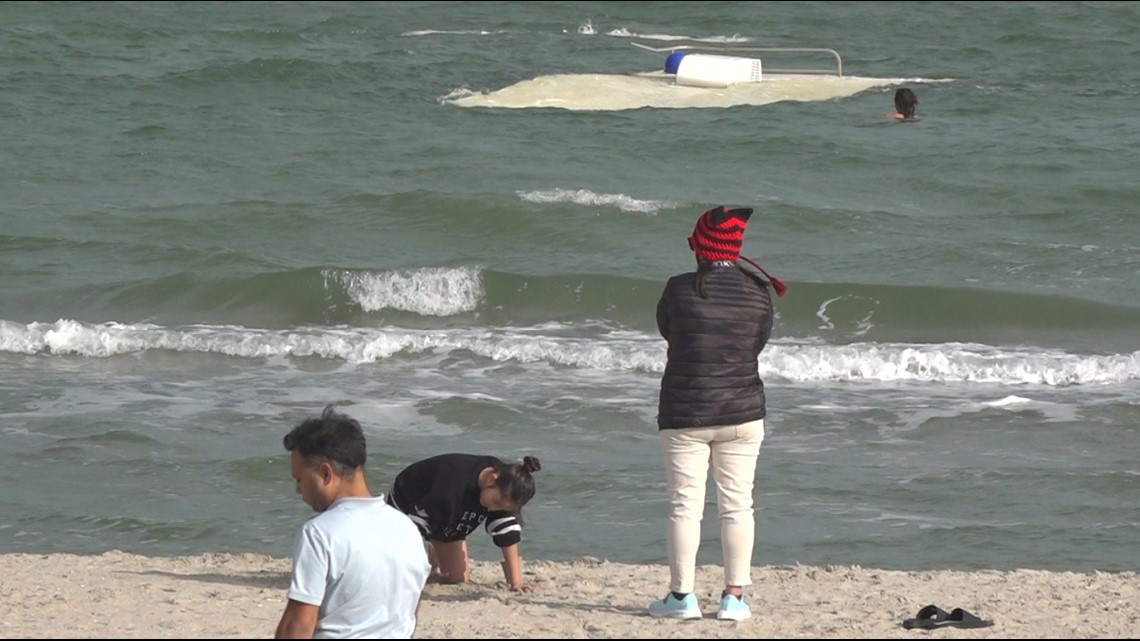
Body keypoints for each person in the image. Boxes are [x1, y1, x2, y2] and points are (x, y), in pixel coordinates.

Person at [647, 205, 785, 622]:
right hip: (742, 412)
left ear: (700, 248)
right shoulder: (758, 292)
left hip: (685, 413)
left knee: (684, 506)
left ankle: (682, 598)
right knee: (738, 506)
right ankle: (734, 598)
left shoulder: (678, 289)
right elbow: (756, 343)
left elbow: (668, 330)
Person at [276, 406, 431, 639]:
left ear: (326, 473)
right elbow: (410, 613)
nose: (299, 490)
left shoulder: (319, 533)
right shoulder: (408, 530)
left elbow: (299, 623)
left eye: (300, 479)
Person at [385, 453, 541, 592]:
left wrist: (516, 582)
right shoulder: (451, 485)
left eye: (501, 507)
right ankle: (431, 550)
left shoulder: (505, 488)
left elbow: (507, 534)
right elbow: (412, 530)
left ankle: (434, 550)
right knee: (406, 570)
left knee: (457, 578)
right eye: (495, 502)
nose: (494, 509)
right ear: (491, 479)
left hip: (450, 518)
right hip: (409, 505)